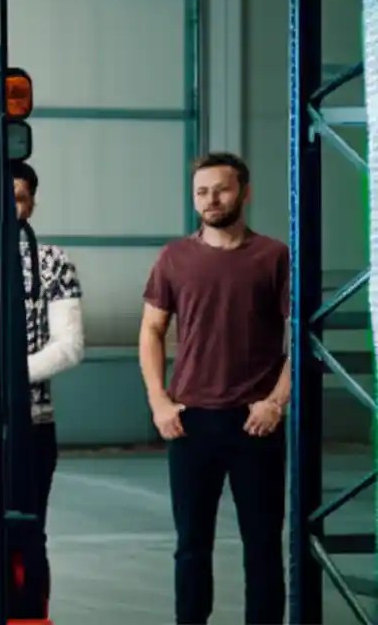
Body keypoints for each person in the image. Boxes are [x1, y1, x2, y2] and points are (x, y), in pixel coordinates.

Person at [138, 152, 289, 625]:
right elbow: (151, 331)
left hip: (255, 422)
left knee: (263, 546)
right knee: (191, 548)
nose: (210, 199)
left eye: (221, 189)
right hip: (190, 422)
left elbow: (301, 335)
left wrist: (276, 401)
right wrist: (159, 401)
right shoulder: (175, 258)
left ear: (245, 193)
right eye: (201, 191)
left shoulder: (274, 257)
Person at [11, 161, 85, 608]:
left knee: (29, 531)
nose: (8, 207)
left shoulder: (53, 262)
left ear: (32, 203)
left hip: (31, 425)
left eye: (18, 197)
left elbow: (69, 347)